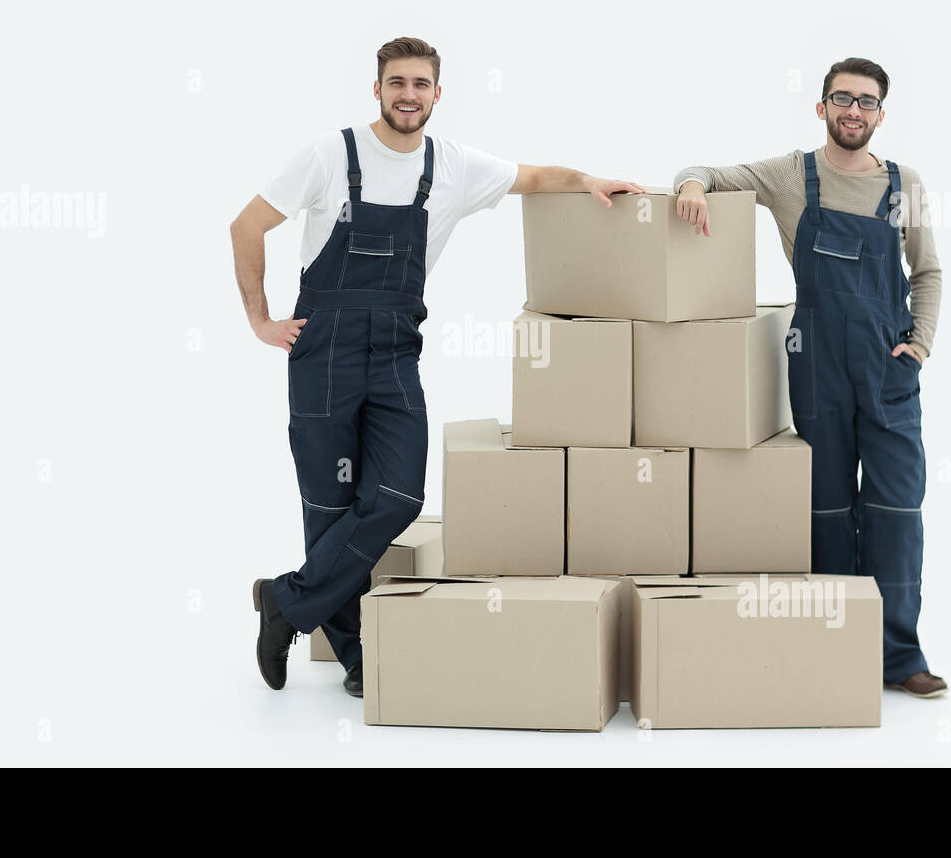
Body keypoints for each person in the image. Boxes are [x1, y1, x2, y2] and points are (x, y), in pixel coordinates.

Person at [230, 36, 643, 697]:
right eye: (396, 82)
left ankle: (286, 600)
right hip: (325, 350)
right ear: (376, 89)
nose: (408, 95)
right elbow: (246, 226)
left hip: (395, 350)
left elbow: (534, 178)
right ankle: (356, 653)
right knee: (330, 505)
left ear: (437, 94)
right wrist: (260, 320)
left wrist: (590, 180)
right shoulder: (329, 154)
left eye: (421, 84)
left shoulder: (452, 165)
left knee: (398, 494)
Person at [673, 57, 947, 698]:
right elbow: (709, 172)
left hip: (888, 368)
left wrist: (920, 345)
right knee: (825, 508)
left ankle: (899, 656)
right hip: (818, 363)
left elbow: (928, 271)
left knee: (897, 509)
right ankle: (836, 646)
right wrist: (689, 186)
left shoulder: (904, 183)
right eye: (842, 99)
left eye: (867, 102)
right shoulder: (792, 177)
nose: (855, 111)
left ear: (881, 113)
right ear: (821, 107)